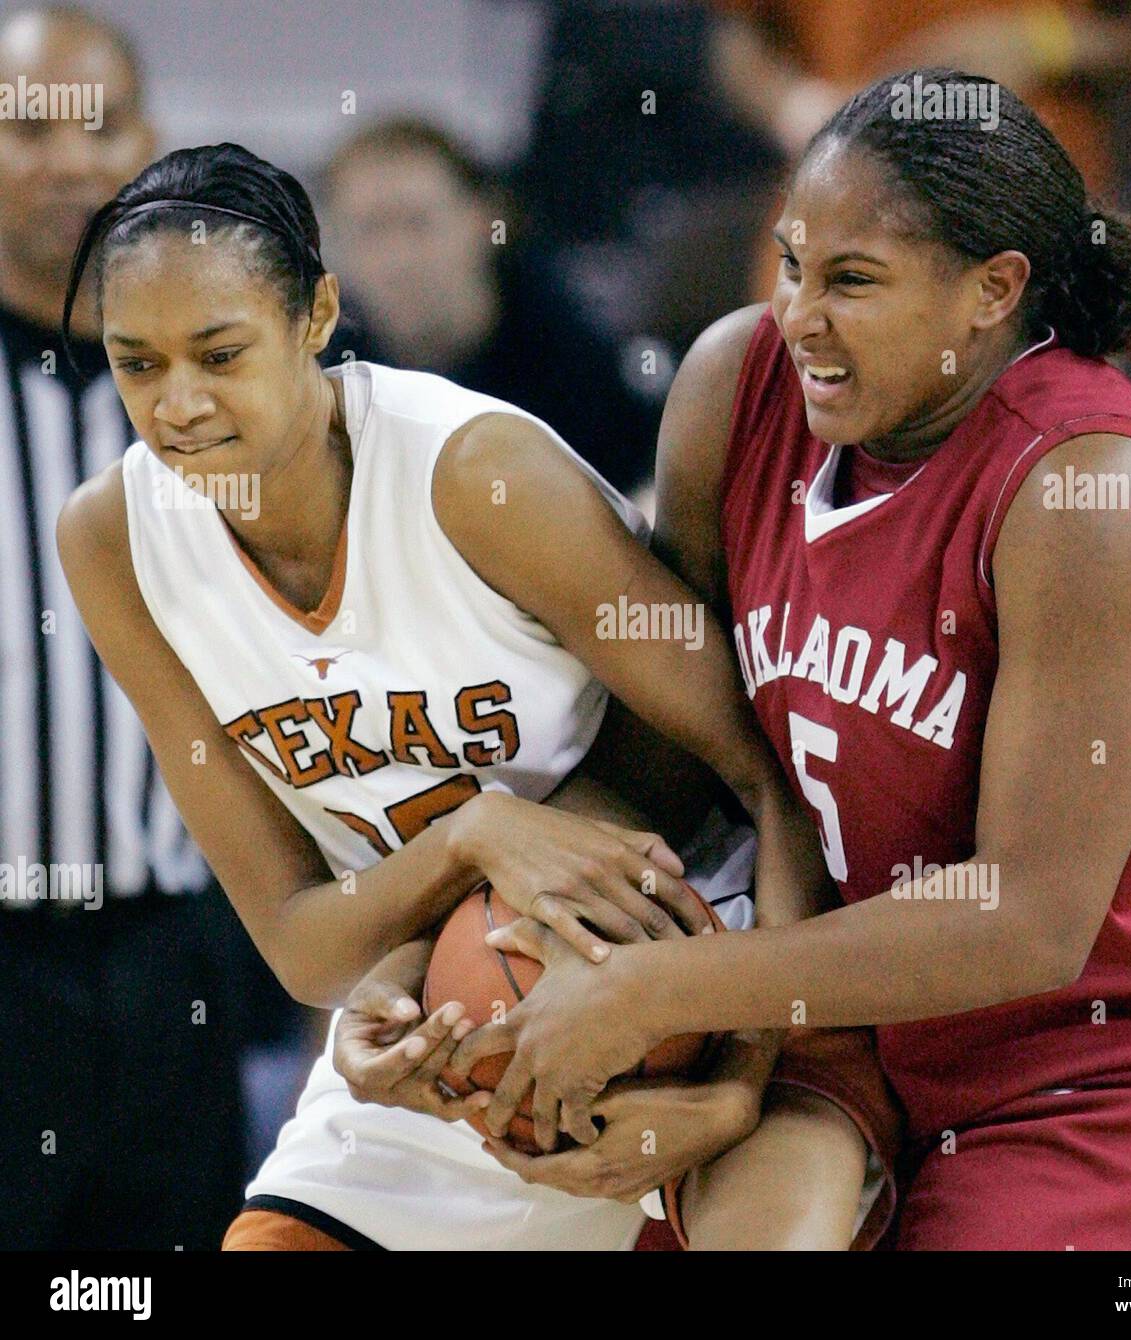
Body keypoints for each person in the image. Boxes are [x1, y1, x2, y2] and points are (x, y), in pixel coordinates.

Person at [442, 69, 1131, 1251]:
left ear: (992, 292)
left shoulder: (1084, 490)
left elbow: (1025, 919)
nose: (799, 314)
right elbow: (670, 759)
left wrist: (659, 992)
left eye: (853, 281)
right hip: (844, 1012)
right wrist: (469, 942)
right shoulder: (732, 386)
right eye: (794, 264)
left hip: (1114, 1061)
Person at [56, 142, 899, 1251]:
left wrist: (735, 1074)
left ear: (316, 316)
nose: (179, 405)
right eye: (138, 364)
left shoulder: (472, 476)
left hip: (695, 972)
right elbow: (305, 945)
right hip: (449, 1023)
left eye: (220, 352)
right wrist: (469, 848)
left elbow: (760, 764)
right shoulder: (114, 539)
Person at [0, 3, 251, 1250]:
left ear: (149, 144)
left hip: (178, 948)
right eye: (28, 126)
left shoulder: (235, 377)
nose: (73, 161)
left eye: (102, 127)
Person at [321, 117, 661, 497]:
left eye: (419, 224)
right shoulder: (320, 379)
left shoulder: (583, 364)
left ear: (481, 221)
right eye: (369, 230)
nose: (398, 260)